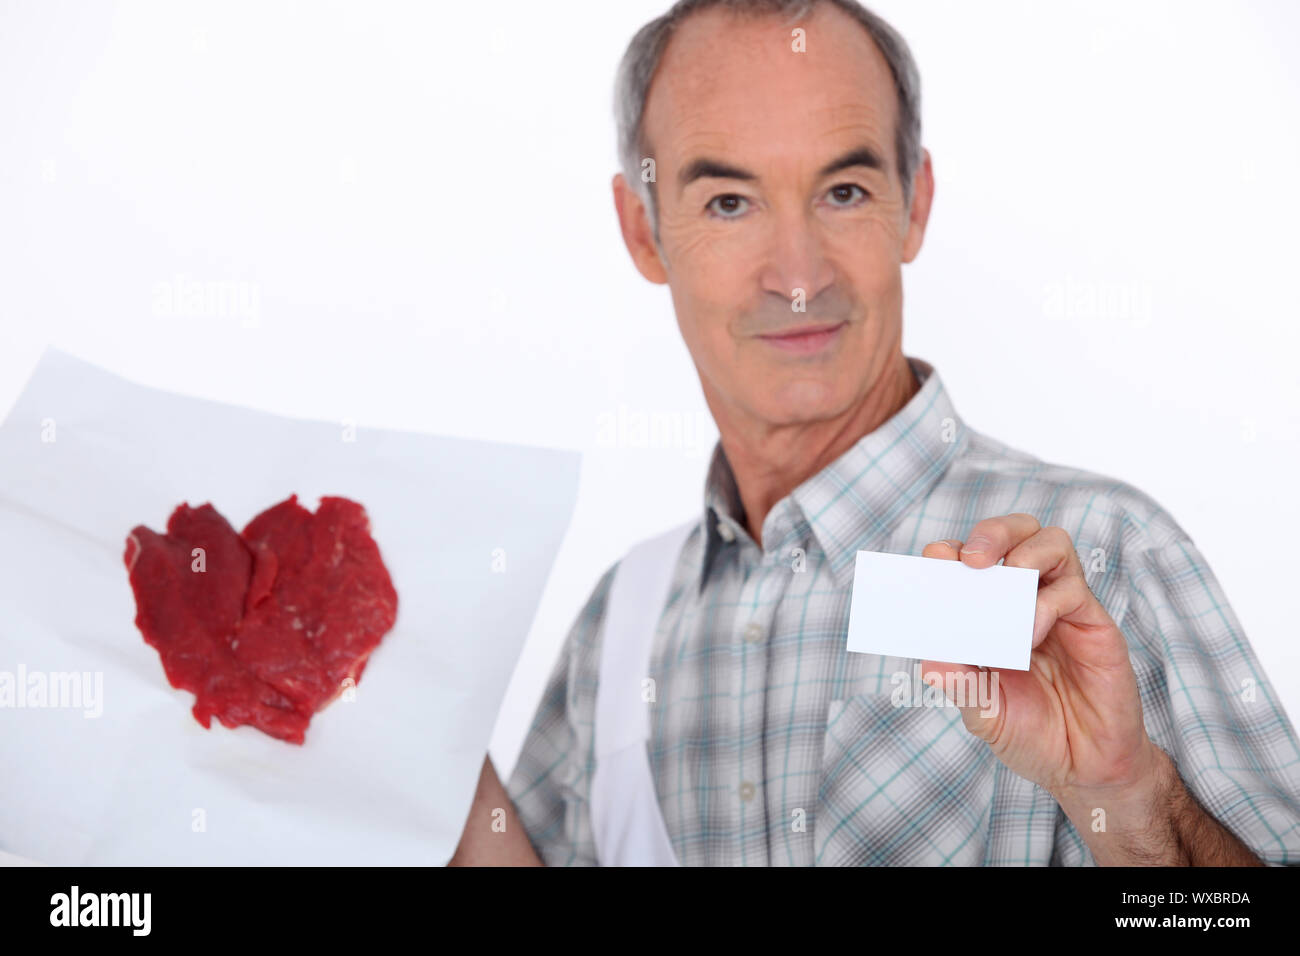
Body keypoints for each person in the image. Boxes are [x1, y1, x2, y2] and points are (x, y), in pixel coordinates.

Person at [449, 0, 1300, 866]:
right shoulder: (619, 626)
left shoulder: (1100, 564)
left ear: (915, 204)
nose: (797, 277)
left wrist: (1122, 795)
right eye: (730, 202)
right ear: (645, 230)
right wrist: (403, 709)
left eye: (844, 192)